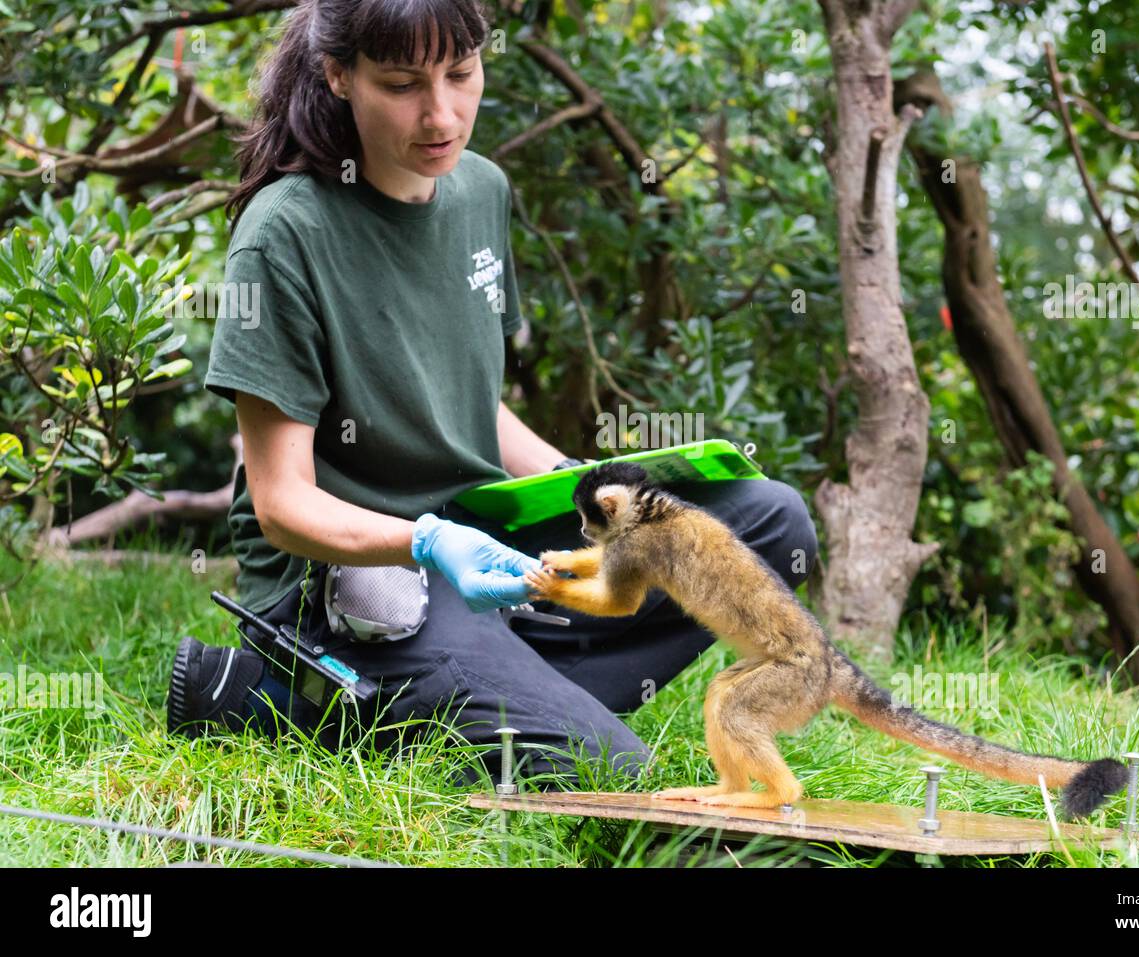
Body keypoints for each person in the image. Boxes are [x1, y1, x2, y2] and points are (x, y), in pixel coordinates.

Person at [166, 0, 818, 790]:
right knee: (604, 771)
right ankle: (309, 696)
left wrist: (584, 481)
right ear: (339, 74)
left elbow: (473, 402)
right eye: (403, 84)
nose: (441, 114)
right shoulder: (285, 236)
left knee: (769, 521)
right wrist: (430, 539)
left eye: (461, 74)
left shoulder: (479, 191)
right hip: (356, 584)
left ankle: (487, 692)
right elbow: (281, 504)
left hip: (485, 550)